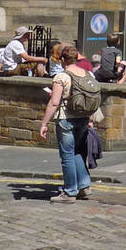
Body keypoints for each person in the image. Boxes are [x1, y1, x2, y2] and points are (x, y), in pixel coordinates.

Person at [38, 45, 99, 202]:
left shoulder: (61, 77)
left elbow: (54, 103)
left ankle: (70, 192)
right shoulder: (88, 74)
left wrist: (44, 123)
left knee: (67, 155)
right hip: (83, 119)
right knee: (78, 152)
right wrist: (91, 119)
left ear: (63, 60)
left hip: (66, 119)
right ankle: (84, 186)